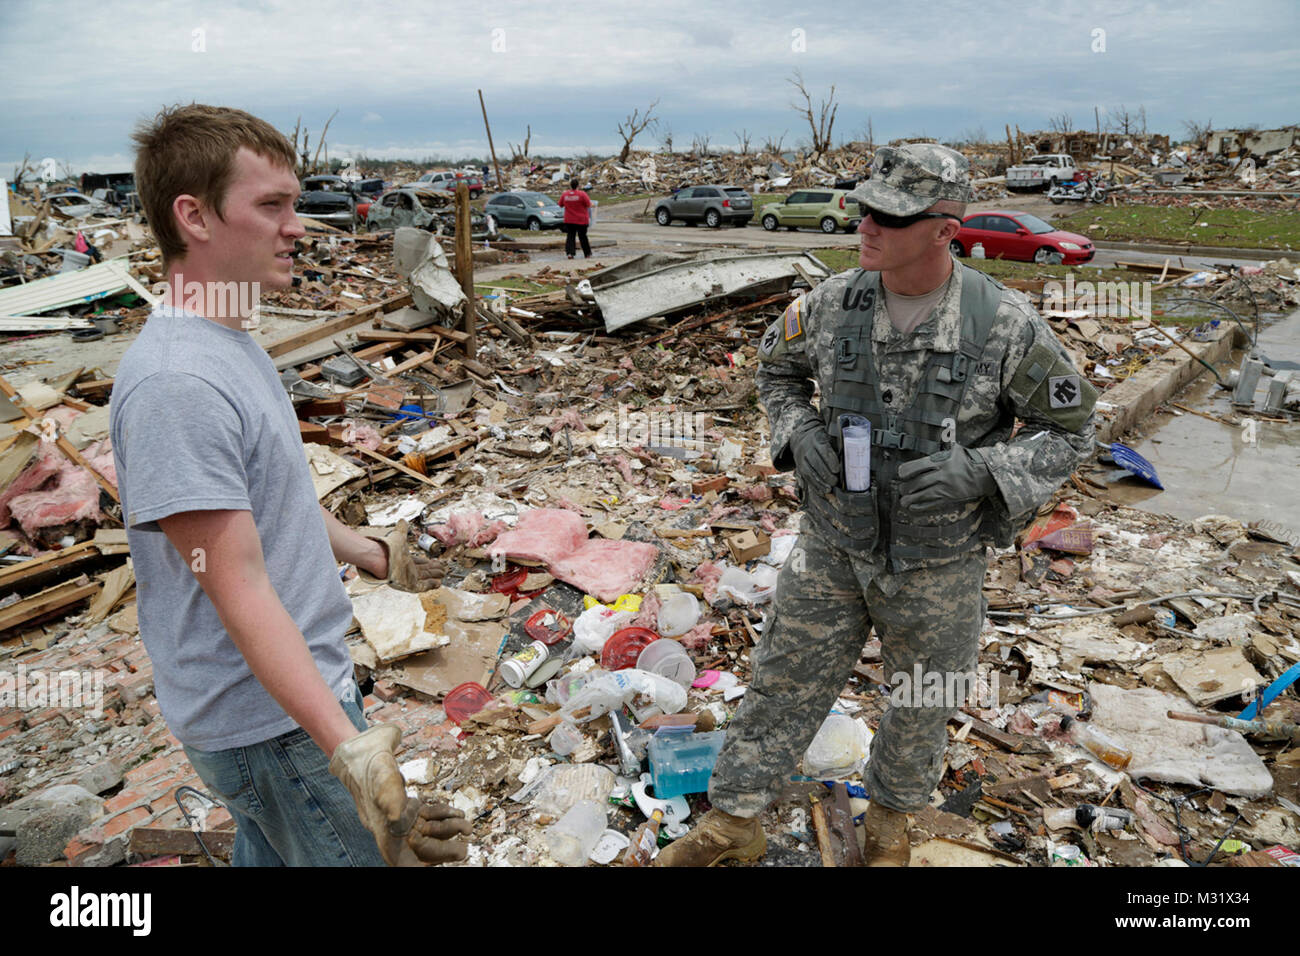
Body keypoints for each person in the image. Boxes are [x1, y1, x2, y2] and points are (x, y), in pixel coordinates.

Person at [656, 143, 1096, 867]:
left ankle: (892, 825)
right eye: (862, 208)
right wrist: (799, 431)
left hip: (939, 560)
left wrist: (981, 470)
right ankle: (735, 820)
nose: (865, 226)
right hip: (835, 543)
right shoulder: (830, 304)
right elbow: (775, 371)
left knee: (923, 700)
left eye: (888, 216)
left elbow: (1075, 427)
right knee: (782, 681)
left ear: (943, 227)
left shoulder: (1002, 323)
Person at [112, 104, 471, 866]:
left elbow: (269, 499)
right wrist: (351, 750)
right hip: (271, 722)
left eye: (296, 202)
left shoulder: (226, 338)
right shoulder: (178, 382)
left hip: (293, 699)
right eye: (271, 205)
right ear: (194, 216)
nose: (298, 226)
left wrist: (363, 550)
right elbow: (234, 585)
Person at [558, 177, 592, 259]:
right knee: (583, 237)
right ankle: (587, 253)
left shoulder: (565, 194)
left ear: (570, 185)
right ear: (578, 185)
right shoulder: (582, 194)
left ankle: (570, 253)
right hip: (581, 220)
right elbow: (588, 204)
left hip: (569, 220)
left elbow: (560, 204)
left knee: (570, 236)